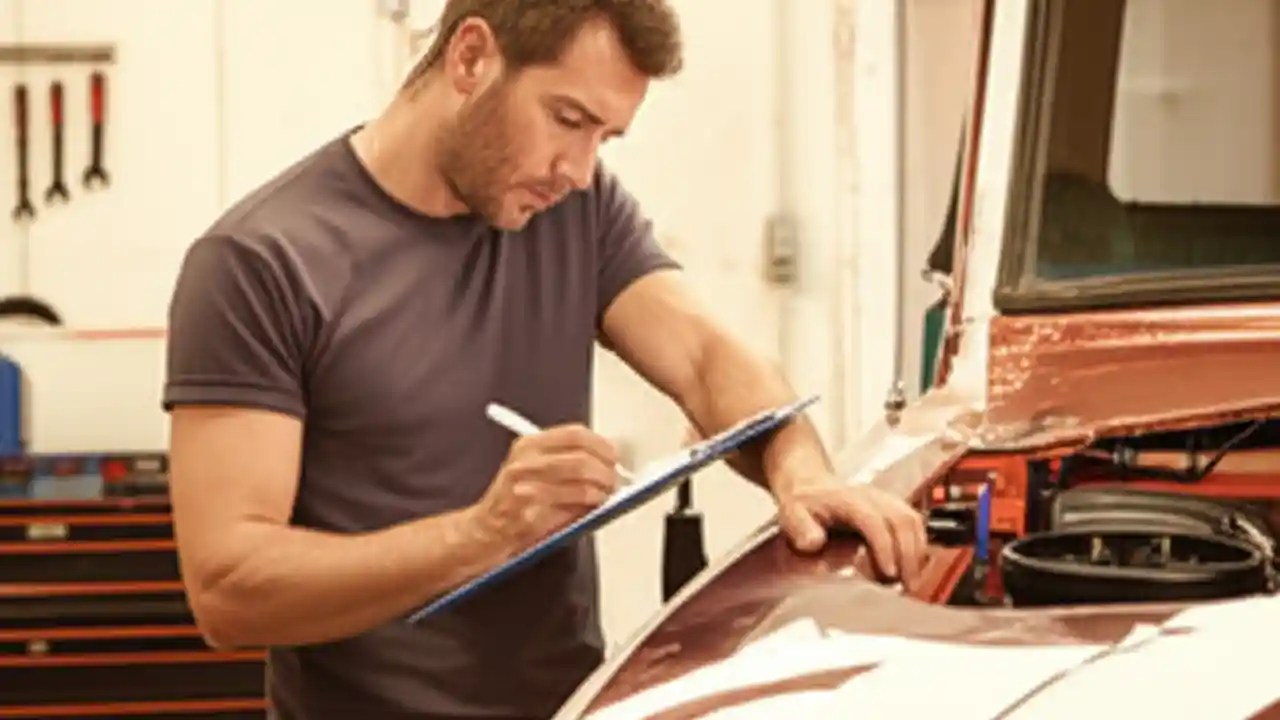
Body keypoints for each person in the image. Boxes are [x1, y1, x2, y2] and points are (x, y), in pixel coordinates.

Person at [161, 1, 928, 718]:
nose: (580, 168)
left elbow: (703, 355)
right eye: (568, 119)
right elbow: (229, 589)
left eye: (605, 138)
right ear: (471, 58)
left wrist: (804, 474)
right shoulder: (260, 264)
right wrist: (481, 535)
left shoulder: (576, 215)